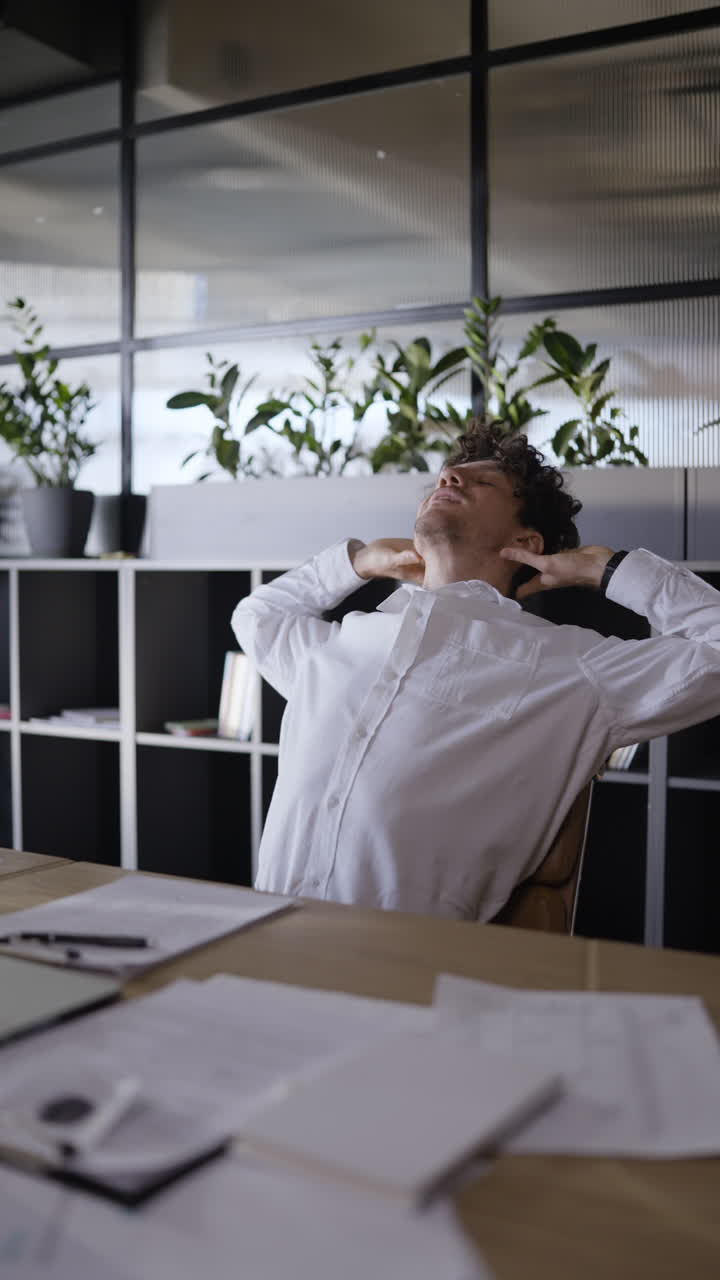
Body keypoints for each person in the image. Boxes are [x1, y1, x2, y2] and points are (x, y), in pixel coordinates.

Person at [232, 419, 720, 921]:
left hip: (405, 971)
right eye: (445, 477)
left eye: (481, 481)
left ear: (527, 542)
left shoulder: (569, 668)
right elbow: (257, 617)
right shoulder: (344, 641)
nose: (449, 479)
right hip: (265, 937)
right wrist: (357, 560)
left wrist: (606, 567)